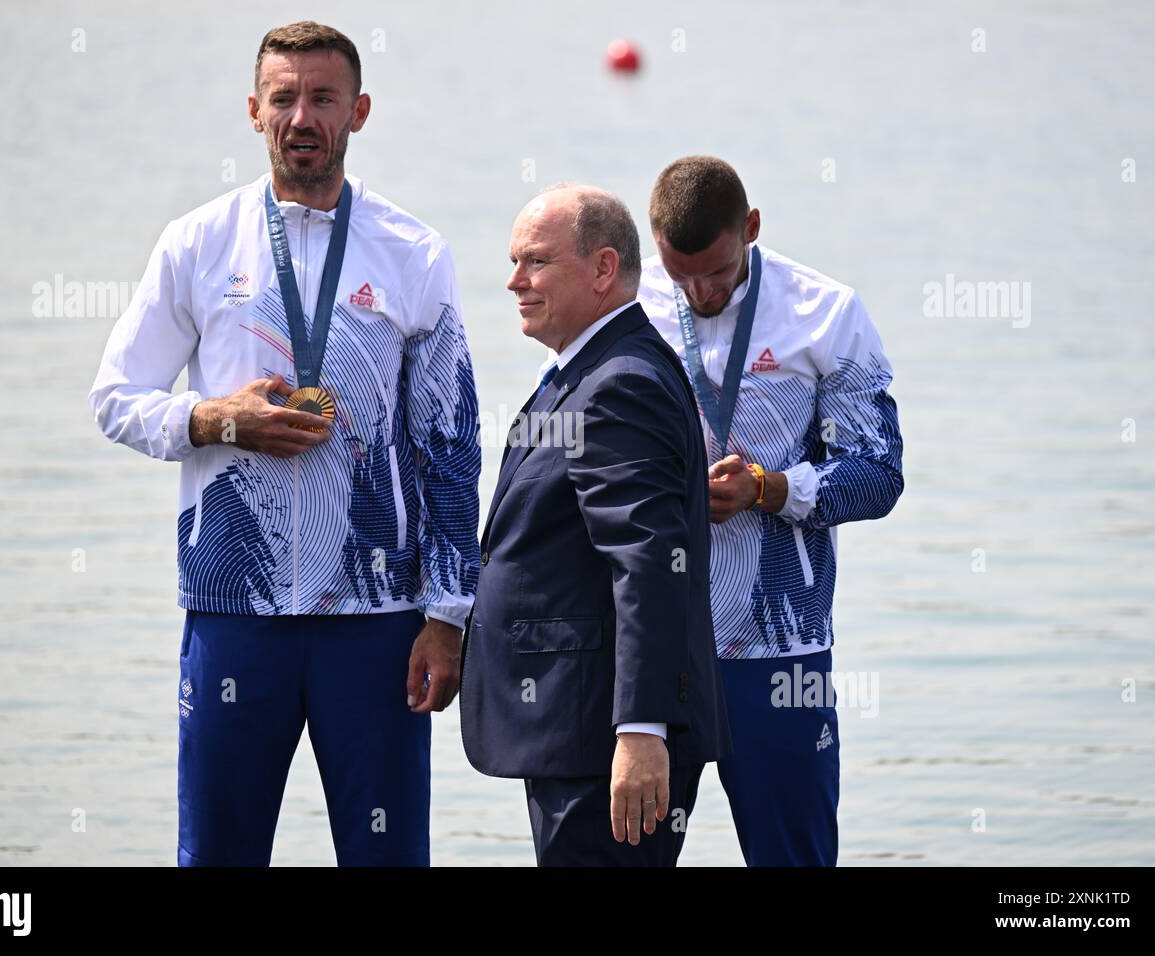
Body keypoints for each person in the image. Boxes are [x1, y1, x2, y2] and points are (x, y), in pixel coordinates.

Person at [87, 21, 480, 866]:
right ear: (254, 111)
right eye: (284, 98)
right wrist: (218, 420)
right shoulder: (196, 242)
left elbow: (449, 443)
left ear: (359, 112)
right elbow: (115, 398)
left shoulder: (414, 252)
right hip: (234, 613)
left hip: (377, 620)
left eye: (324, 98)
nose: (303, 117)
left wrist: (448, 616)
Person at [636, 155, 905, 865]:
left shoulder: (826, 312)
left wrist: (770, 489)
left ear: (751, 228)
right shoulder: (629, 309)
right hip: (655, 651)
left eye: (719, 274)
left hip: (781, 655)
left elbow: (879, 475)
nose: (698, 292)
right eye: (680, 276)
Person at [460, 184, 731, 866]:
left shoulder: (617, 382)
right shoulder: (588, 370)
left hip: (600, 736)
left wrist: (641, 729)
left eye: (535, 262)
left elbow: (647, 560)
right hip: (575, 730)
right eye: (514, 261)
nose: (514, 281)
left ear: (603, 269)